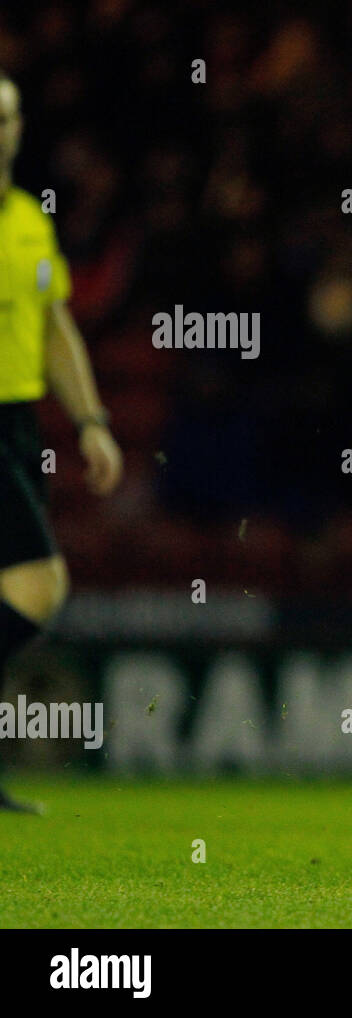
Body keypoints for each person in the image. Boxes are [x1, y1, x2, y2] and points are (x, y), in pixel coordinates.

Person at [0, 69, 123, 813]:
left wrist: (91, 421)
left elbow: (54, 327)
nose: (1, 129)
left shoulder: (26, 218)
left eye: (9, 116)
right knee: (39, 585)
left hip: (19, 421)